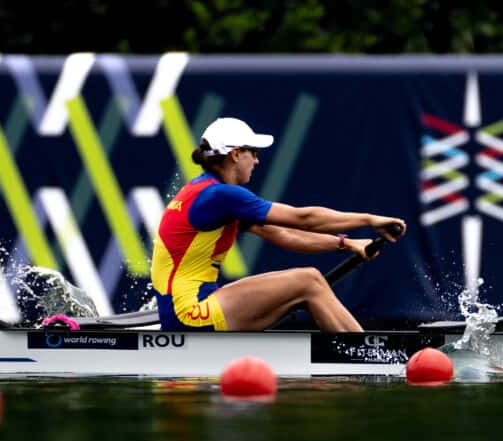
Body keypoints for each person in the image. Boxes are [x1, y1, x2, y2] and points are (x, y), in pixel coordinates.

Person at [153, 117, 404, 332]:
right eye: (254, 152)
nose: (257, 161)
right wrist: (370, 220)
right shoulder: (222, 196)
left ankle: (356, 347)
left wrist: (346, 243)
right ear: (236, 154)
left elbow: (282, 235)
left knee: (307, 281)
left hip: (185, 309)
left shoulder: (201, 191)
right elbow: (304, 219)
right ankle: (368, 352)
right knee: (309, 280)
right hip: (190, 314)